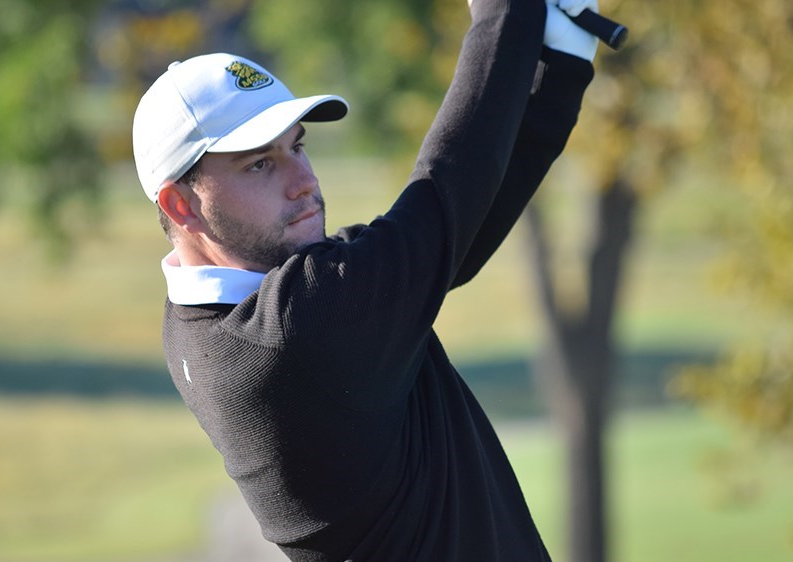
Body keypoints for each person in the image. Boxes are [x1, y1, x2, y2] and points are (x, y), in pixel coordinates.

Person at [131, 0, 597, 559]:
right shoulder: (295, 333)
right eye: (260, 164)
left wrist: (561, 58)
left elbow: (455, 237)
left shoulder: (199, 321)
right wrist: (506, 14)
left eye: (297, 146)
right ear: (180, 205)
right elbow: (447, 190)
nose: (303, 181)